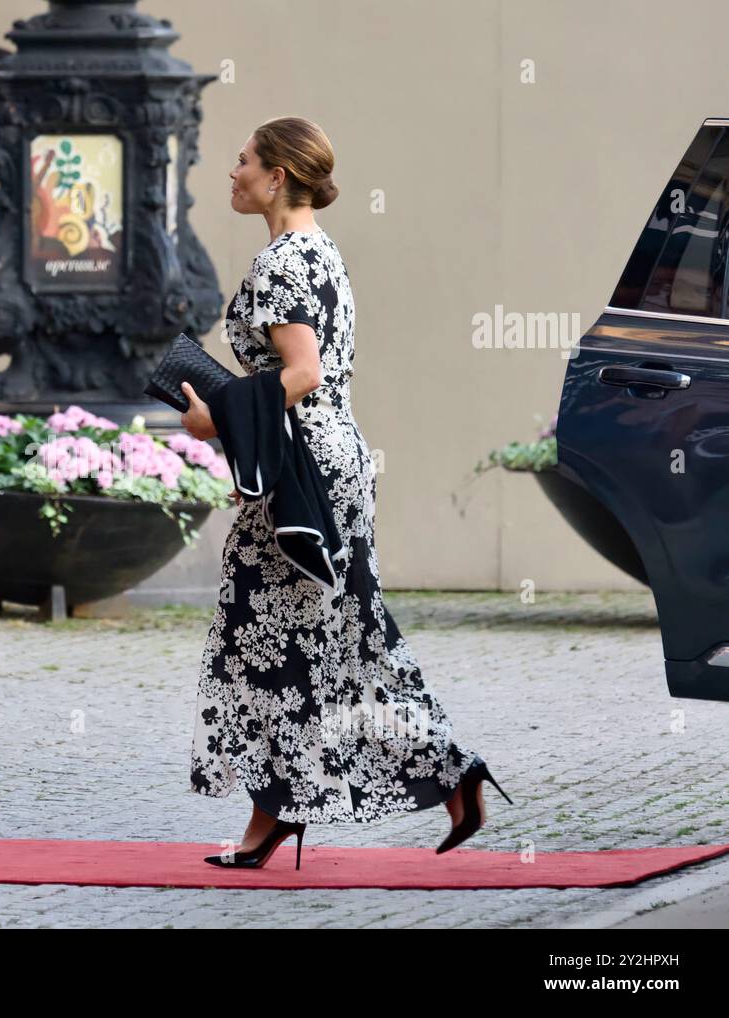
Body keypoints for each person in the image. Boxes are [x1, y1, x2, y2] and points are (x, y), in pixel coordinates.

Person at [182, 117, 512, 869]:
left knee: (269, 636)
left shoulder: (279, 265)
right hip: (330, 463)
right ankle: (427, 780)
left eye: (242, 163)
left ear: (278, 177)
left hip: (306, 476)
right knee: (329, 634)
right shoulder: (320, 252)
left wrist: (216, 416)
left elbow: (303, 374)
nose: (231, 174)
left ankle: (283, 815)